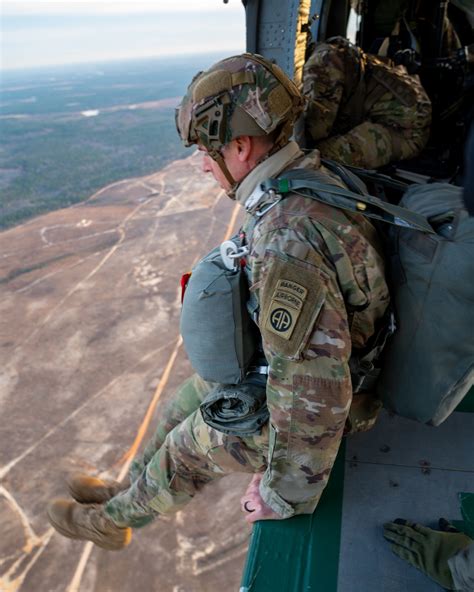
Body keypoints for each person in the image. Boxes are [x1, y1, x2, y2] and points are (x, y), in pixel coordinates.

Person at [47, 52, 390, 550]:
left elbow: (314, 389)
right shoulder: (300, 180)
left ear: (241, 146)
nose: (204, 165)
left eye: (208, 152)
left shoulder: (286, 239)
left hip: (340, 404)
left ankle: (114, 522)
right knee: (183, 402)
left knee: (189, 446)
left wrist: (284, 491)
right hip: (320, 371)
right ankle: (127, 489)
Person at [303, 36, 432, 168]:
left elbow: (315, 128)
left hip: (406, 129)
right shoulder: (333, 50)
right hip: (412, 107)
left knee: (320, 158)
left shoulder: (319, 66)